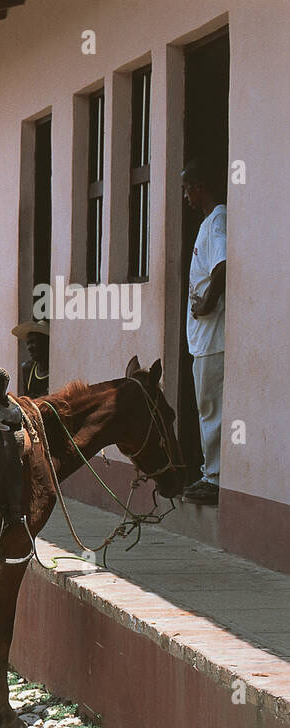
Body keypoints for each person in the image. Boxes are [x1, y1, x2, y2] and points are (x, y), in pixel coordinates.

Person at [181, 156, 227, 506]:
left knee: (210, 406)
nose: (186, 197)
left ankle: (214, 478)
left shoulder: (217, 220)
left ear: (198, 188)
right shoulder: (207, 223)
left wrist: (209, 303)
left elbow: (222, 266)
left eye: (186, 189)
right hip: (203, 338)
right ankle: (210, 472)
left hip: (212, 337)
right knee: (205, 405)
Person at [11, 318, 50, 397]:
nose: (29, 347)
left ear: (45, 342)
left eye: (33, 342)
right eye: (28, 343)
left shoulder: (57, 370)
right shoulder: (28, 369)